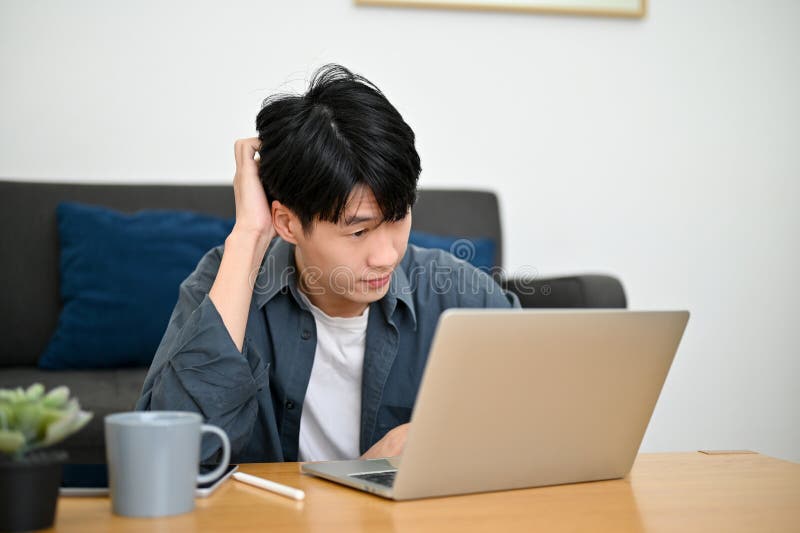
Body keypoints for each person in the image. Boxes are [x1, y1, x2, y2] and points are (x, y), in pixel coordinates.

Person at [136, 64, 519, 463]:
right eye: (359, 232)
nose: (387, 256)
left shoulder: (461, 294)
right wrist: (249, 235)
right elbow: (166, 458)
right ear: (287, 223)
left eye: (398, 217)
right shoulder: (225, 280)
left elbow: (538, 420)